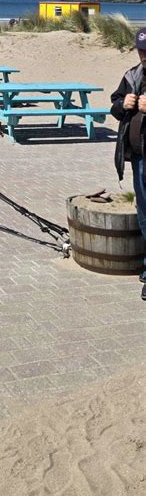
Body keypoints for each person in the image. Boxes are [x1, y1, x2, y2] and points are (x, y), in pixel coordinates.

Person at [110, 27, 146, 300]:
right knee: (144, 211)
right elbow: (114, 106)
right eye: (141, 51)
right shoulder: (132, 75)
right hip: (138, 155)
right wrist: (124, 103)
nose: (144, 56)